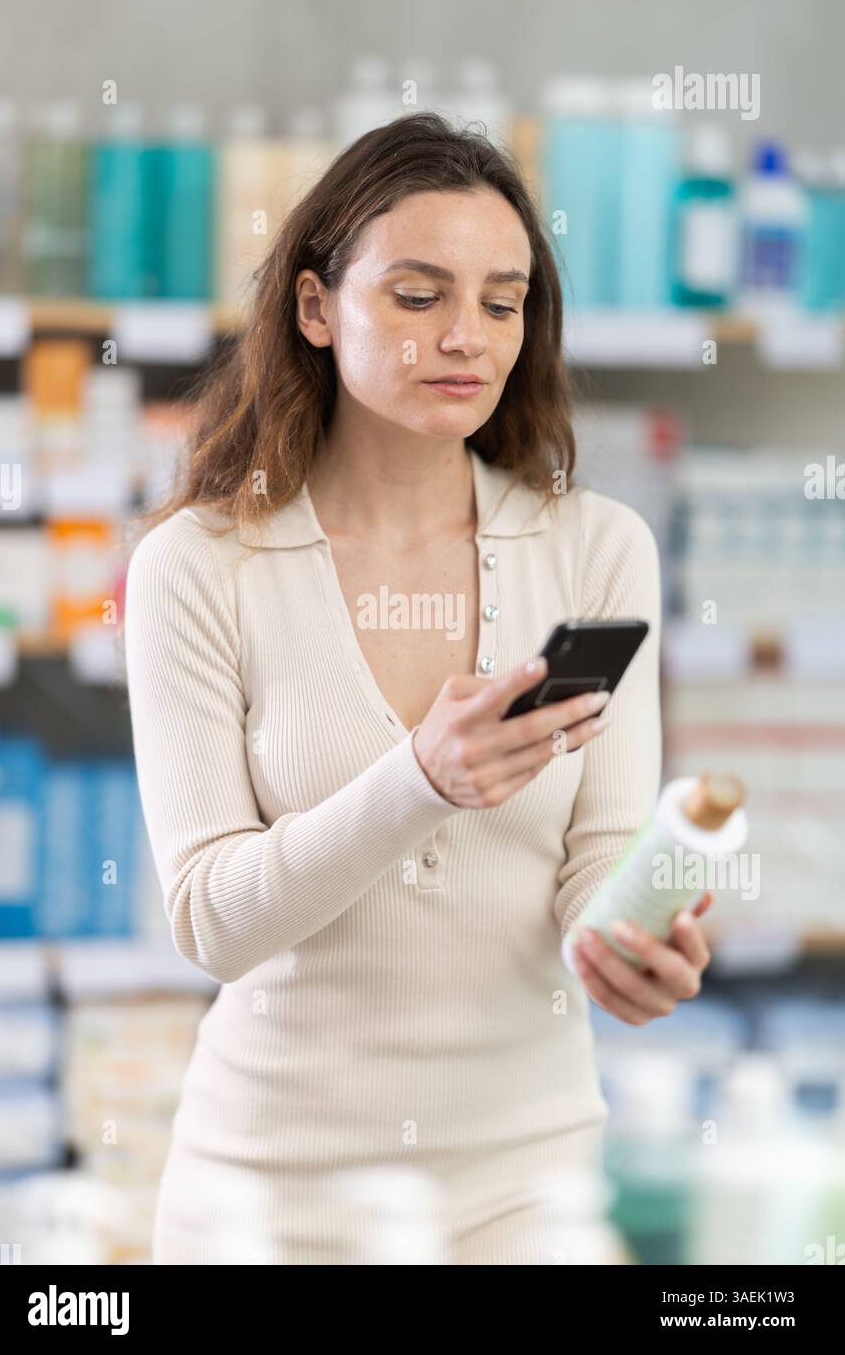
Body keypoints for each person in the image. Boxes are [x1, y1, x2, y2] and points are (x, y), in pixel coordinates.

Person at [124, 111, 713, 1264]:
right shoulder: (198, 566)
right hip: (267, 1193)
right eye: (417, 295)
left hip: (531, 1189)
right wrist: (419, 781)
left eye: (502, 302)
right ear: (313, 307)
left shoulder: (595, 549)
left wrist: (635, 936)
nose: (468, 338)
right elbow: (208, 920)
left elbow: (599, 849)